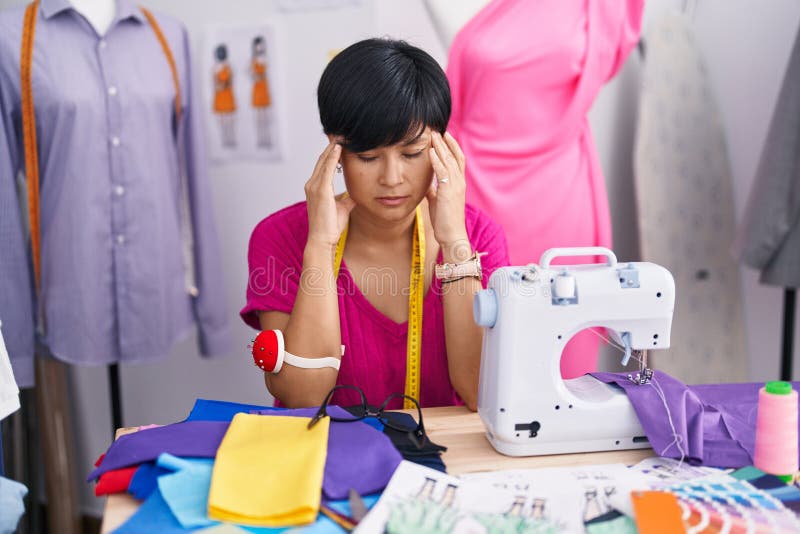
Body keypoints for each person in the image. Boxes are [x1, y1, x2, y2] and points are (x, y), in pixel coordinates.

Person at [241, 38, 509, 410]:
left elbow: (482, 394)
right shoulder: (280, 237)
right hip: (328, 446)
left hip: (442, 447)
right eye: (368, 157)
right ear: (336, 151)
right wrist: (319, 247)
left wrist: (454, 244)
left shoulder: (478, 236)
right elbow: (303, 397)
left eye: (412, 153)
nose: (392, 178)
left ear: (441, 149)